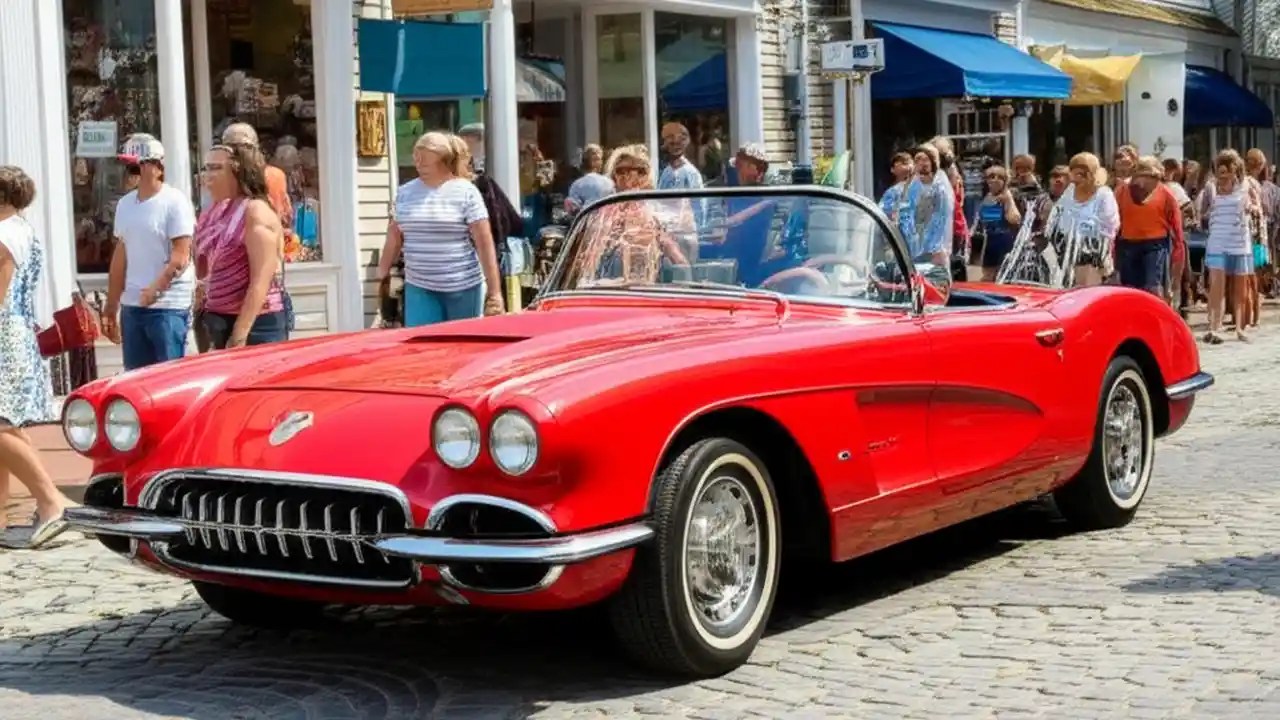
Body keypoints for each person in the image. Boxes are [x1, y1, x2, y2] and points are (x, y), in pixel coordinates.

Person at [0, 166, 77, 547]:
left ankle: (50, 501)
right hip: (16, 333)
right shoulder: (23, 230)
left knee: (1, 426)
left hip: (4, 335)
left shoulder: (4, 235)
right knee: (7, 427)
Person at [378, 132, 504, 326]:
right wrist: (382, 275)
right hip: (419, 286)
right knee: (423, 342)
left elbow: (484, 242)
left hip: (463, 286)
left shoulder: (466, 191)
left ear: (443, 160)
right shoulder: (405, 193)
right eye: (416, 157)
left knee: (462, 341)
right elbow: (394, 237)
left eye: (425, 159)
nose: (419, 163)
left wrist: (495, 292)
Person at [102, 134, 196, 370]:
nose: (131, 174)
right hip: (133, 306)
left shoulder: (175, 201)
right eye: (129, 167)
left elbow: (181, 254)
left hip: (168, 307)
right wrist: (111, 305)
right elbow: (121, 255)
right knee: (136, 379)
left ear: (157, 167)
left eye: (136, 167)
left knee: (169, 377)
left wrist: (156, 289)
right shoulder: (125, 205)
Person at [195, 143, 289, 348]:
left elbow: (261, 279)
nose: (207, 176)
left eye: (215, 168)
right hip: (218, 318)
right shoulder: (219, 209)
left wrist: (239, 335)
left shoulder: (255, 211)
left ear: (238, 171)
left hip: (256, 323)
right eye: (206, 168)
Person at [1197, 149, 1260, 343]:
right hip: (1218, 240)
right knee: (1216, 285)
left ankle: (1240, 327)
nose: (1222, 176)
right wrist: (1205, 216)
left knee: (1240, 287)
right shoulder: (1211, 187)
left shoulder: (1246, 186)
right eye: (1219, 171)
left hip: (1239, 241)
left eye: (1227, 171)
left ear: (1235, 170)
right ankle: (1214, 327)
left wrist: (1252, 209)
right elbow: (1201, 211)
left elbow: (1259, 207)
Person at [1045, 152, 1118, 287]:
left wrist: (1088, 233)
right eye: (1074, 172)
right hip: (1067, 250)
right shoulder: (1070, 191)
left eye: (1082, 173)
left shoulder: (1104, 194)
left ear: (1092, 173)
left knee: (1087, 291)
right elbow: (1058, 215)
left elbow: (1110, 225)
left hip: (1092, 253)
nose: (1077, 177)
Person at [1114, 156, 1184, 297]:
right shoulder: (1122, 191)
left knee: (1153, 287)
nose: (1143, 182)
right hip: (1127, 244)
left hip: (1155, 245)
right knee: (1129, 289)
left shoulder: (1166, 193)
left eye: (1149, 177)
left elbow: (1176, 226)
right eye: (1140, 176)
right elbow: (1114, 221)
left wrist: (1178, 249)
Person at [975, 165, 1022, 281]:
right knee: (988, 276)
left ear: (1005, 181)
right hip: (989, 241)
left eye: (999, 177)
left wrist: (1008, 201)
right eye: (991, 177)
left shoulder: (1008, 196)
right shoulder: (988, 197)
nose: (995, 180)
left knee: (1002, 276)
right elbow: (984, 220)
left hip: (1004, 241)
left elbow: (1015, 219)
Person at [565, 144, 615, 216]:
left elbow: (572, 210)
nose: (602, 162)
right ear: (595, 161)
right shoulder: (609, 182)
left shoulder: (576, 185)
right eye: (600, 159)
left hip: (586, 221)